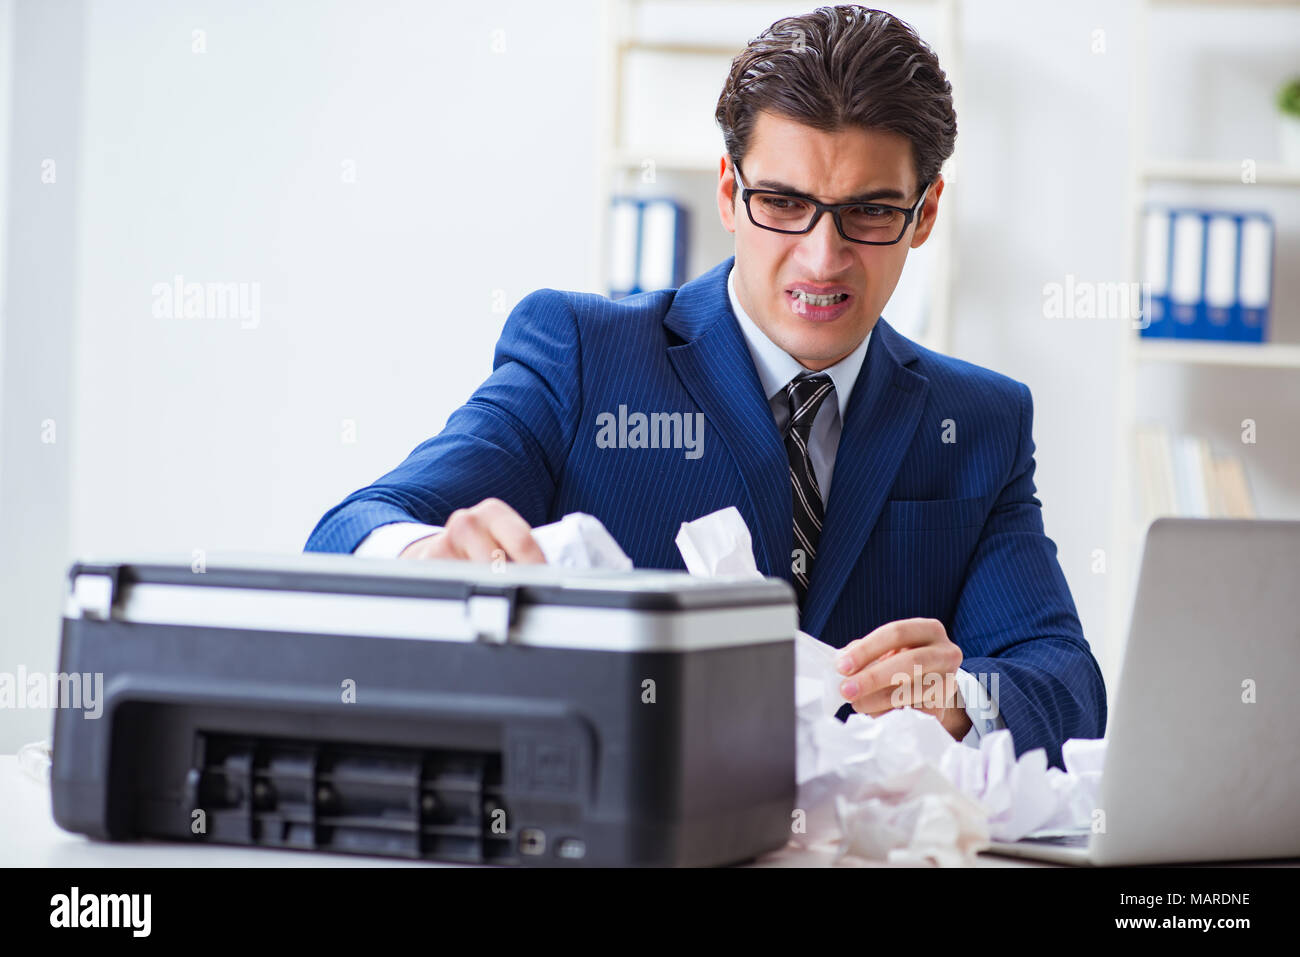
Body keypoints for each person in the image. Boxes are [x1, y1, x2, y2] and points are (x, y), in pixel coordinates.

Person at [305, 4, 1106, 769]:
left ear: (924, 214)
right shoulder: (585, 355)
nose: (822, 258)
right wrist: (427, 553)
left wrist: (958, 693)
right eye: (784, 202)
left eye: (868, 212)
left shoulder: (980, 422)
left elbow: (1067, 681)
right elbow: (348, 532)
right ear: (729, 192)